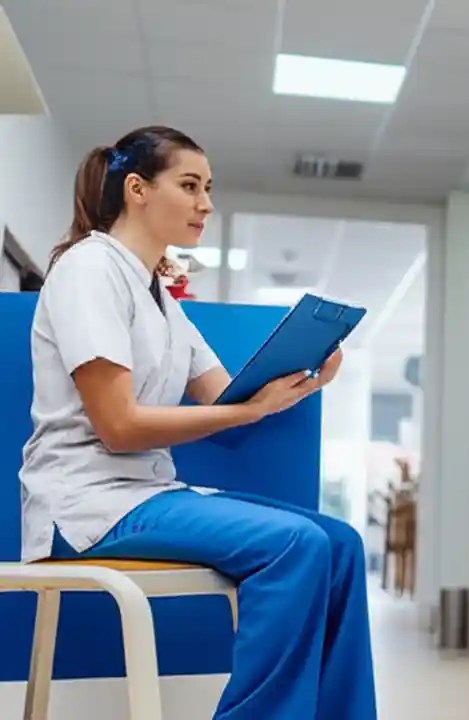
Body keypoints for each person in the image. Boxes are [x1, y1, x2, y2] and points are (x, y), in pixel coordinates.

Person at [21, 126, 376, 720]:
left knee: (341, 544)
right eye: (189, 186)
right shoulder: (88, 270)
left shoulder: (159, 295)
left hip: (142, 495)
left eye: (208, 188)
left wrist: (311, 373)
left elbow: (224, 396)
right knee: (294, 545)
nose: (205, 203)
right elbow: (119, 427)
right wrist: (247, 408)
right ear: (137, 189)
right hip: (84, 504)